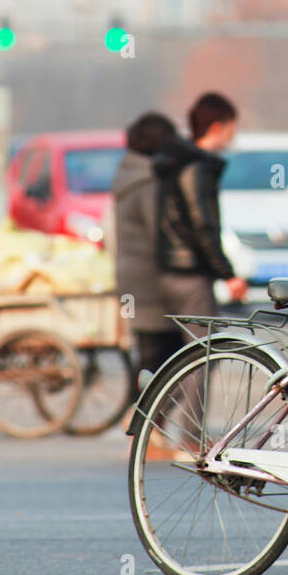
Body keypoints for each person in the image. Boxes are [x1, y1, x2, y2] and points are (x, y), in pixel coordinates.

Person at [153, 92, 247, 330]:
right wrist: (228, 274)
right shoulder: (197, 168)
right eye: (231, 127)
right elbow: (202, 225)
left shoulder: (180, 160)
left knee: (186, 357)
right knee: (202, 357)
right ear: (217, 127)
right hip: (190, 275)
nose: (234, 134)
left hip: (172, 270)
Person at [108, 111, 177, 395]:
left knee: (151, 352)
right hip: (149, 279)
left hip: (131, 277)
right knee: (161, 354)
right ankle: (144, 422)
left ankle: (143, 422)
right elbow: (161, 231)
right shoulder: (147, 182)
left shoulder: (127, 174)